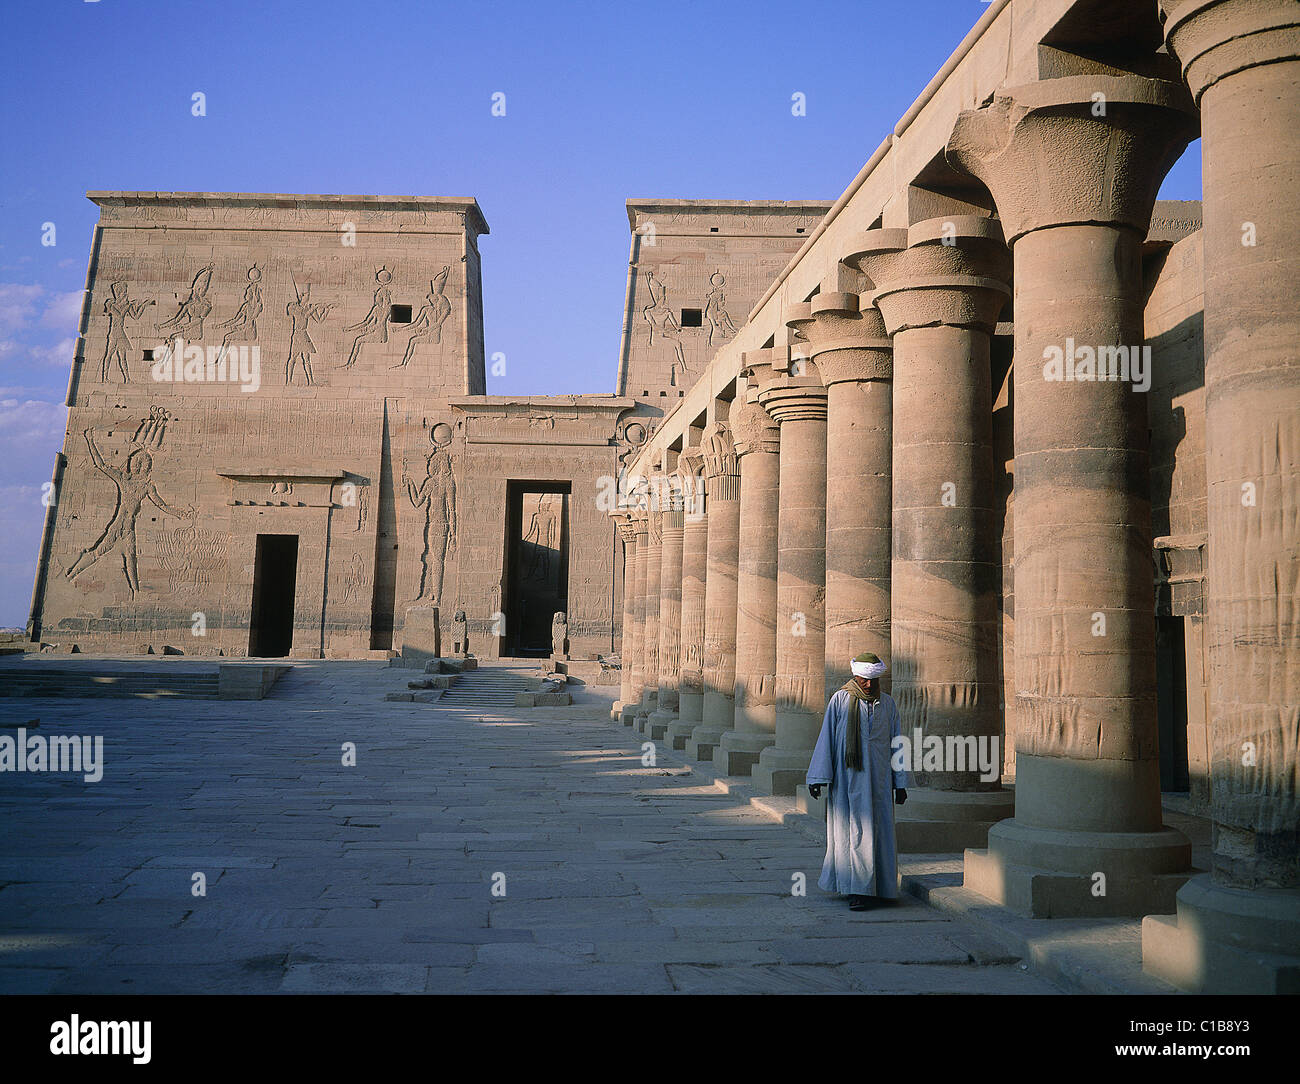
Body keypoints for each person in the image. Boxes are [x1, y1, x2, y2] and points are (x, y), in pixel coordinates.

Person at [806, 651, 909, 911]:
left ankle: (878, 887)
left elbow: (897, 744)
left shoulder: (888, 704)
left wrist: (900, 783)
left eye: (873, 680)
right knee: (852, 834)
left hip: (879, 782)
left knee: (877, 833)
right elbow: (826, 739)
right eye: (864, 679)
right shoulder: (840, 701)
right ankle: (857, 891)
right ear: (856, 676)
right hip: (847, 780)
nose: (869, 685)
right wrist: (818, 777)